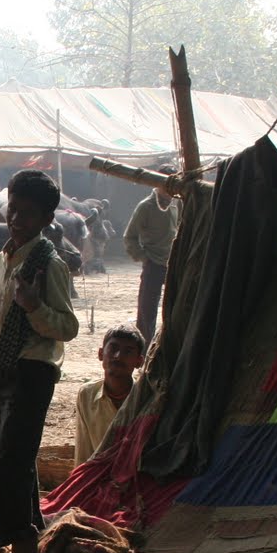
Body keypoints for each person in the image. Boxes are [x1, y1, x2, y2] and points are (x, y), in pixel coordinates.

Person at [0, 169, 79, 553]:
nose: (16, 218)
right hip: (6, 370)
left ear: (47, 218)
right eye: (13, 209)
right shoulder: (3, 258)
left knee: (9, 469)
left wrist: (33, 306)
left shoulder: (49, 263)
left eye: (27, 213)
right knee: (19, 463)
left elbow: (65, 327)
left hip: (34, 373)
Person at [72, 323, 147, 465]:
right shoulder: (87, 395)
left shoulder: (145, 397)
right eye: (113, 348)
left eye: (128, 351)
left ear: (139, 361)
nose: (118, 356)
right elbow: (84, 452)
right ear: (101, 354)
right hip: (98, 475)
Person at [123, 164, 179, 344]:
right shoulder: (146, 207)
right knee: (147, 311)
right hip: (153, 264)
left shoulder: (176, 205)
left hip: (173, 264)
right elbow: (130, 236)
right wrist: (143, 257)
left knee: (175, 307)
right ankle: (143, 350)